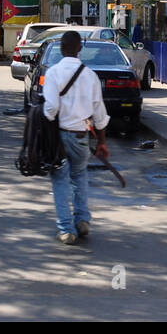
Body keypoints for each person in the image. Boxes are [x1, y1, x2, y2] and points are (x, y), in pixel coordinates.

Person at [43, 31, 110, 244]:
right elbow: (99, 113)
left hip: (59, 137)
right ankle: (82, 220)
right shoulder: (90, 75)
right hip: (82, 136)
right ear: (80, 48)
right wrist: (101, 142)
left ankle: (66, 230)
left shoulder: (54, 73)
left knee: (60, 180)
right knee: (80, 177)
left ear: (61, 48)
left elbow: (51, 107)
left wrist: (46, 117)